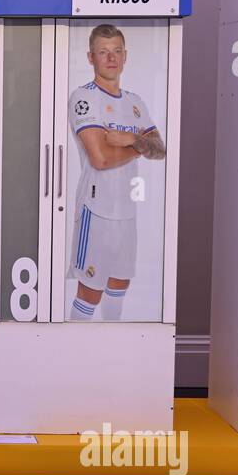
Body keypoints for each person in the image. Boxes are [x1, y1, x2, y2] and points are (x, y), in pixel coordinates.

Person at [67, 23, 164, 321]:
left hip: (127, 210)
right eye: (103, 52)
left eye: (117, 52)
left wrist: (132, 139)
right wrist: (139, 144)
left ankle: (112, 353)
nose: (111, 58)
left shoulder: (135, 102)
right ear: (90, 58)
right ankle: (73, 357)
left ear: (125, 56)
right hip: (96, 210)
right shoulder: (84, 98)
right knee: (90, 292)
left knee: (120, 285)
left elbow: (160, 149)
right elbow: (101, 159)